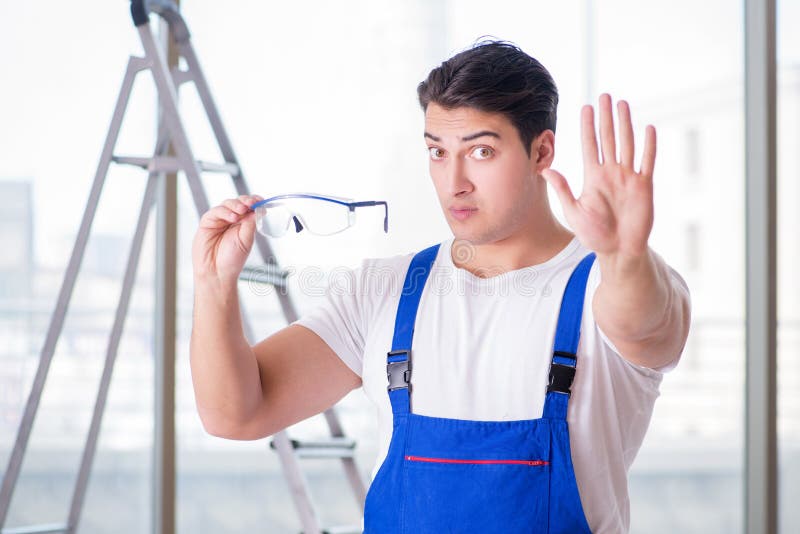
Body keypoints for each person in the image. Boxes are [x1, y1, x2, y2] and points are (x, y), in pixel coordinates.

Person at [190, 38, 691, 534]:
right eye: (437, 151)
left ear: (541, 152)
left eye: (481, 151)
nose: (455, 182)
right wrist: (214, 285)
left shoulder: (606, 287)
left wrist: (624, 256)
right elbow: (235, 414)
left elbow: (645, 324)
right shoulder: (383, 290)